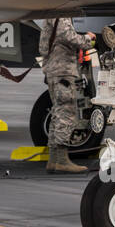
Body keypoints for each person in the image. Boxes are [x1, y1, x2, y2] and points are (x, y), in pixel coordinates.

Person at [39, 17, 97, 174]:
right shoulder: (61, 14)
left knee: (58, 113)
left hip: (55, 69)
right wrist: (87, 39)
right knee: (67, 112)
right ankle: (62, 160)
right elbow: (68, 36)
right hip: (62, 70)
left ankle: (53, 160)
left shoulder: (53, 14)